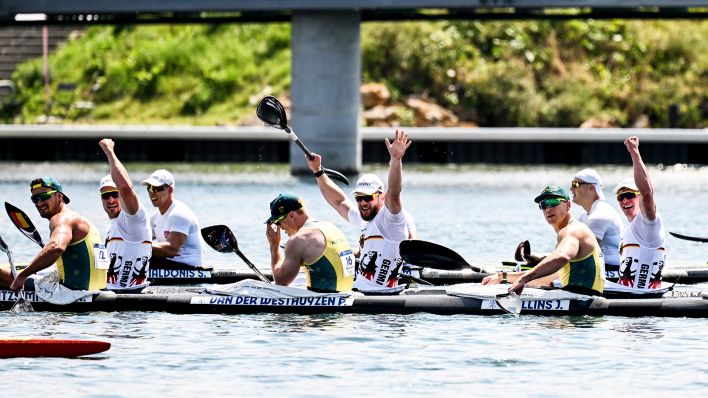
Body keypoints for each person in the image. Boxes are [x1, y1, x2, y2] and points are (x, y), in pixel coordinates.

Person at [305, 129, 412, 293]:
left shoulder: (391, 219)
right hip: (359, 290)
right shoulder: (364, 219)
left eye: (368, 197)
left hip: (379, 295)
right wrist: (318, 171)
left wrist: (396, 159)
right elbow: (338, 201)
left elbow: (394, 192)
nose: (362, 202)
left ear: (380, 198)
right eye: (358, 198)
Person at [482, 186, 605, 296]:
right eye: (544, 205)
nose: (548, 209)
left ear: (568, 205)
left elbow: (562, 257)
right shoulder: (571, 232)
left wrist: (523, 279)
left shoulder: (572, 230)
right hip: (583, 299)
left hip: (580, 303)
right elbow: (544, 277)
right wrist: (501, 277)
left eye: (553, 202)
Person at [0, 177, 108, 292]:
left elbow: (55, 247)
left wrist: (22, 276)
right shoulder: (83, 220)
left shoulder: (62, 219)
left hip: (72, 293)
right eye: (35, 199)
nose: (39, 203)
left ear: (60, 197)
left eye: (44, 196)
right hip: (99, 290)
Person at [265, 193, 355, 292]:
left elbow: (281, 282)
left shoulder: (298, 240)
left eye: (278, 222)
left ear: (291, 215)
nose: (279, 227)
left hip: (325, 300)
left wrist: (274, 245)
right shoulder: (330, 226)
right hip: (346, 294)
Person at [99, 139, 152, 292]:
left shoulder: (135, 219)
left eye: (115, 194)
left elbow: (125, 188)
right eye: (105, 195)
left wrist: (109, 151)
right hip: (112, 293)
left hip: (131, 296)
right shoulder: (112, 225)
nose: (110, 200)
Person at [614, 136, 665, 291]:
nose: (624, 201)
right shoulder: (630, 228)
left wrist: (634, 152)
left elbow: (647, 192)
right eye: (620, 197)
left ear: (639, 198)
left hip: (640, 297)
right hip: (627, 292)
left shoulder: (648, 225)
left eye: (629, 195)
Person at [141, 169, 203, 268]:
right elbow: (138, 238)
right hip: (169, 264)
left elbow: (171, 250)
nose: (152, 192)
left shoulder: (179, 214)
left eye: (157, 188)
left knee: (141, 257)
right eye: (149, 188)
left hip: (188, 267)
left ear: (170, 190)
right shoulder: (154, 218)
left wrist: (138, 247)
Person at [570, 168, 624, 278]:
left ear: (590, 188)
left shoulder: (600, 215)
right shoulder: (584, 216)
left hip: (611, 272)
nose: (571, 188)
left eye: (575, 184)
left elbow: (583, 254)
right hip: (599, 269)